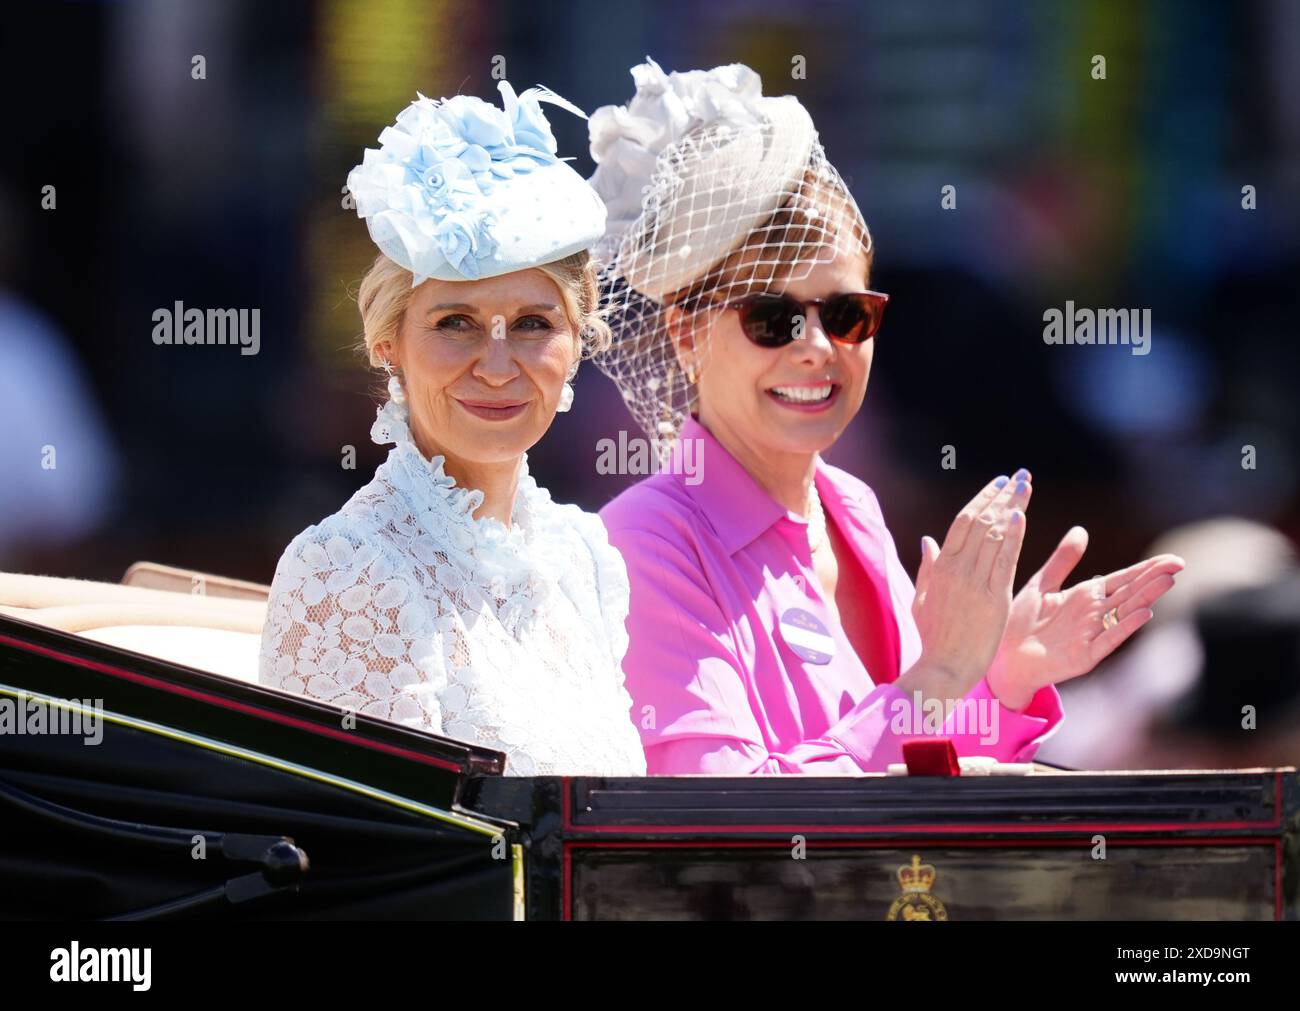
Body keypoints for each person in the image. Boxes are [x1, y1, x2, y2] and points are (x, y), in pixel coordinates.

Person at [590, 60, 1184, 774]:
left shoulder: (852, 507)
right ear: (686, 335)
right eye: (771, 318)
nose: (815, 349)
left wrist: (999, 676)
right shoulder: (643, 543)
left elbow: (909, 781)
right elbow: (723, 823)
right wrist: (941, 675)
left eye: (846, 314)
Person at [259, 81, 646, 776]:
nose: (497, 366)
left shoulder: (580, 556)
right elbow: (375, 868)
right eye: (455, 323)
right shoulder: (348, 569)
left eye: (533, 323)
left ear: (576, 342)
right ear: (388, 345)